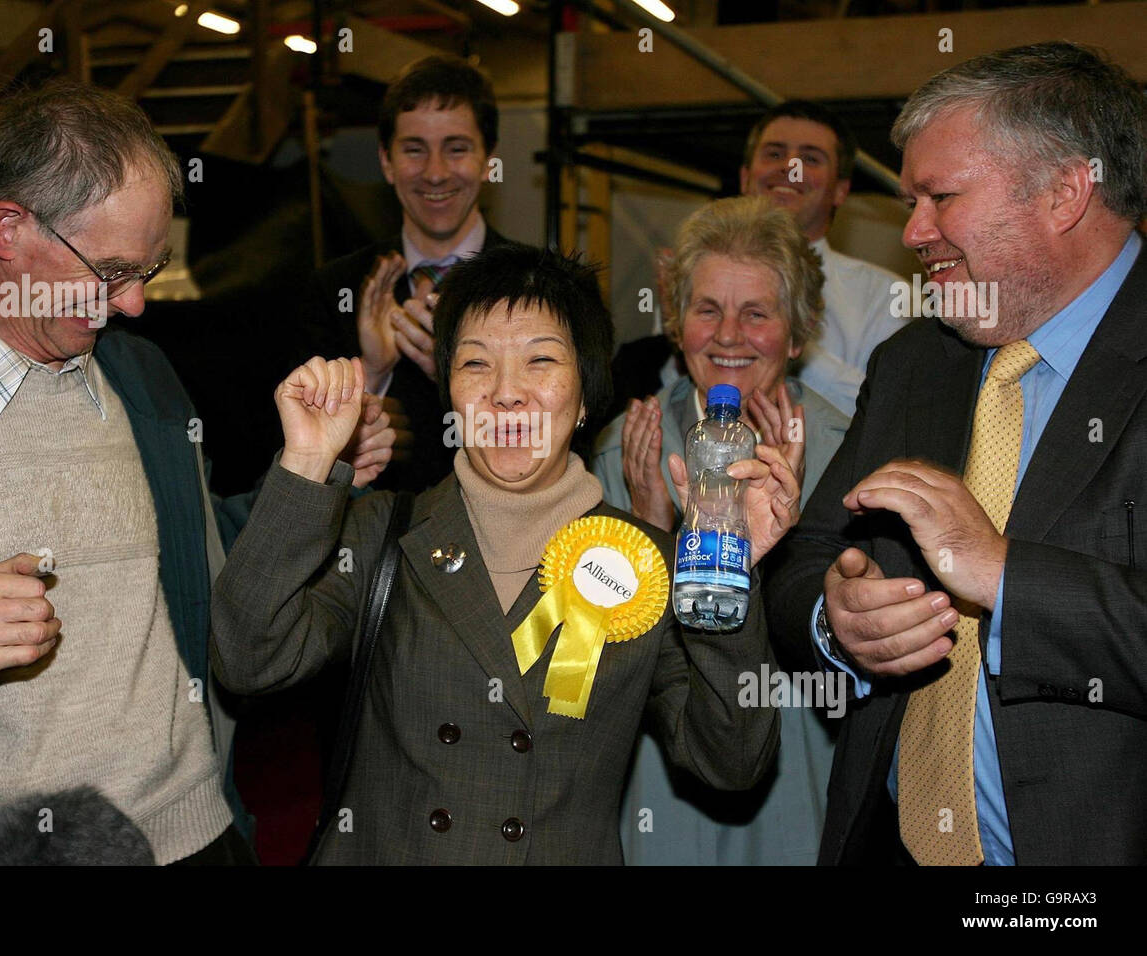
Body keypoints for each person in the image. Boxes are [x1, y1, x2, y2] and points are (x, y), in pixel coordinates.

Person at [0, 78, 390, 866]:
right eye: (109, 271)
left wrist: (309, 475)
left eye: (150, 269)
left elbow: (198, 569)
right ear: (6, 229)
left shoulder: (143, 379)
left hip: (190, 836)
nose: (133, 304)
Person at [211, 244, 797, 864]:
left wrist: (727, 577)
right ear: (450, 392)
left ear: (586, 392)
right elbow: (249, 659)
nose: (506, 394)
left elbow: (731, 763)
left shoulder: (644, 563)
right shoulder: (383, 533)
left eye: (540, 360)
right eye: (475, 364)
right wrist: (305, 466)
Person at [765, 41, 1147, 865]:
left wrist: (1004, 575)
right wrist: (839, 623)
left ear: (1065, 191)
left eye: (940, 197)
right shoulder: (914, 363)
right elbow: (810, 552)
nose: (913, 232)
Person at [592, 195, 850, 865]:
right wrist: (650, 527)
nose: (728, 335)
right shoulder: (631, 446)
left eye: (756, 313)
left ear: (797, 334)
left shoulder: (843, 452)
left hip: (796, 770)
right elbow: (592, 660)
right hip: (661, 775)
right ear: (676, 325)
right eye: (707, 309)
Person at [300, 54, 512, 492]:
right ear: (386, 161)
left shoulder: (535, 289)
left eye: (457, 149)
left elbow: (563, 447)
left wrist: (461, 375)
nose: (435, 173)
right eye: (414, 150)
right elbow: (306, 466)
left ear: (488, 160)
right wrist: (371, 376)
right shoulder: (333, 291)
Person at [740, 100, 906, 417]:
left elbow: (886, 414)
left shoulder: (885, 296)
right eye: (774, 153)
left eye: (810, 158)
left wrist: (792, 343)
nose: (790, 167)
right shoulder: (700, 280)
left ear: (841, 190)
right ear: (745, 177)